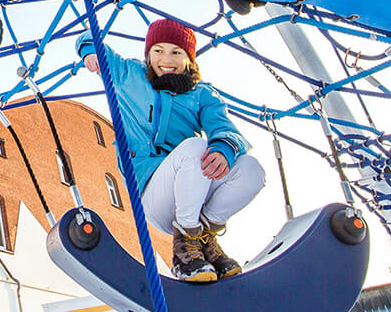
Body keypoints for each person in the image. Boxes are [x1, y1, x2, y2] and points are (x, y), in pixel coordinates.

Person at [77, 18, 265, 282]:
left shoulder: (201, 94)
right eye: (158, 51)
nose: (166, 59)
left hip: (192, 191)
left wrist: (224, 148)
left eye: (176, 52)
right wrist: (90, 51)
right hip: (155, 193)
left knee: (250, 167)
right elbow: (91, 38)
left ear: (189, 59)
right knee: (195, 147)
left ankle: (203, 237)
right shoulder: (129, 75)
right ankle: (184, 248)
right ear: (148, 54)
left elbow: (226, 129)